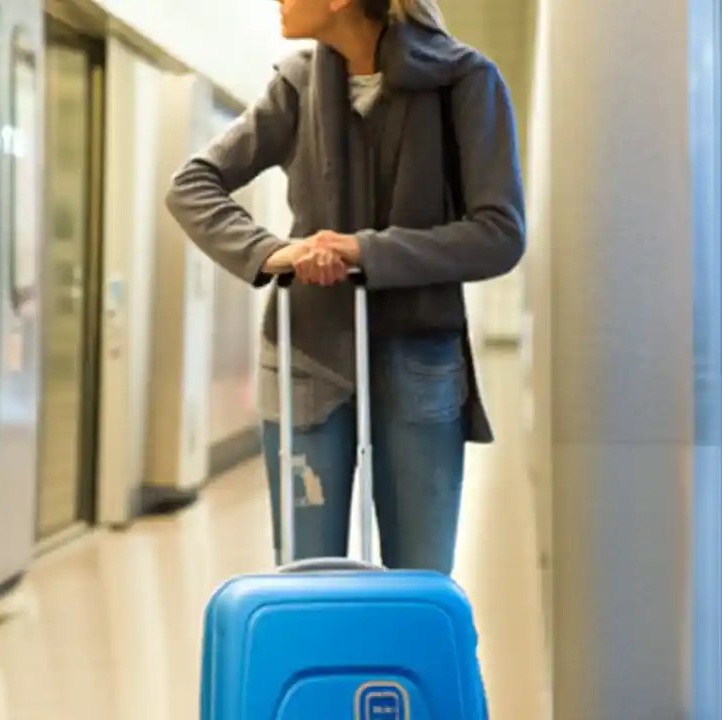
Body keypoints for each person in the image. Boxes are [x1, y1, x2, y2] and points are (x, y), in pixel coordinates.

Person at [164, 0, 524, 574]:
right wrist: (273, 252)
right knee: (307, 578)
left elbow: (500, 234)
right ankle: (323, 669)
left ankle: (408, 667)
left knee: (420, 581)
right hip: (306, 353)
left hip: (420, 352)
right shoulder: (296, 85)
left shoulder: (466, 81)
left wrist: (364, 250)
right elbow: (193, 185)